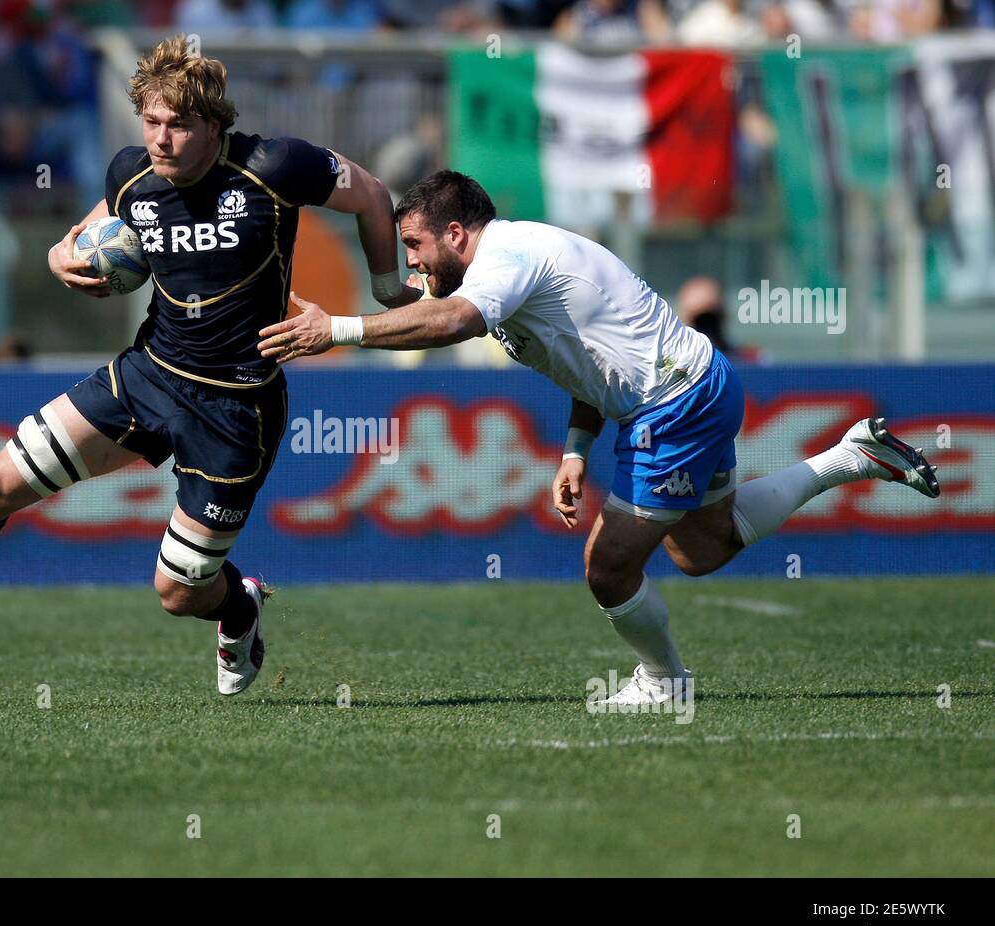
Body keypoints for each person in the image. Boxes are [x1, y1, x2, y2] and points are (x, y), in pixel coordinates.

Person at [0, 35, 417, 695]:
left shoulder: (276, 165)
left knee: (177, 591)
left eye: (179, 125)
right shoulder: (131, 175)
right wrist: (60, 256)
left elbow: (369, 193)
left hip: (236, 408)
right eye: (153, 122)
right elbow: (83, 233)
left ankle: (237, 605)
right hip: (147, 376)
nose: (162, 139)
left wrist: (387, 288)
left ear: (216, 127)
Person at [258, 170, 941, 706]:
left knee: (607, 565)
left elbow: (450, 323)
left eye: (415, 246)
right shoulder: (505, 266)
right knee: (704, 546)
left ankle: (666, 683)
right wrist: (575, 452)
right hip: (696, 385)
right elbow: (584, 362)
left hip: (675, 403)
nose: (411, 262)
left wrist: (336, 330)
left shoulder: (507, 257)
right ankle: (850, 454)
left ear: (459, 233)